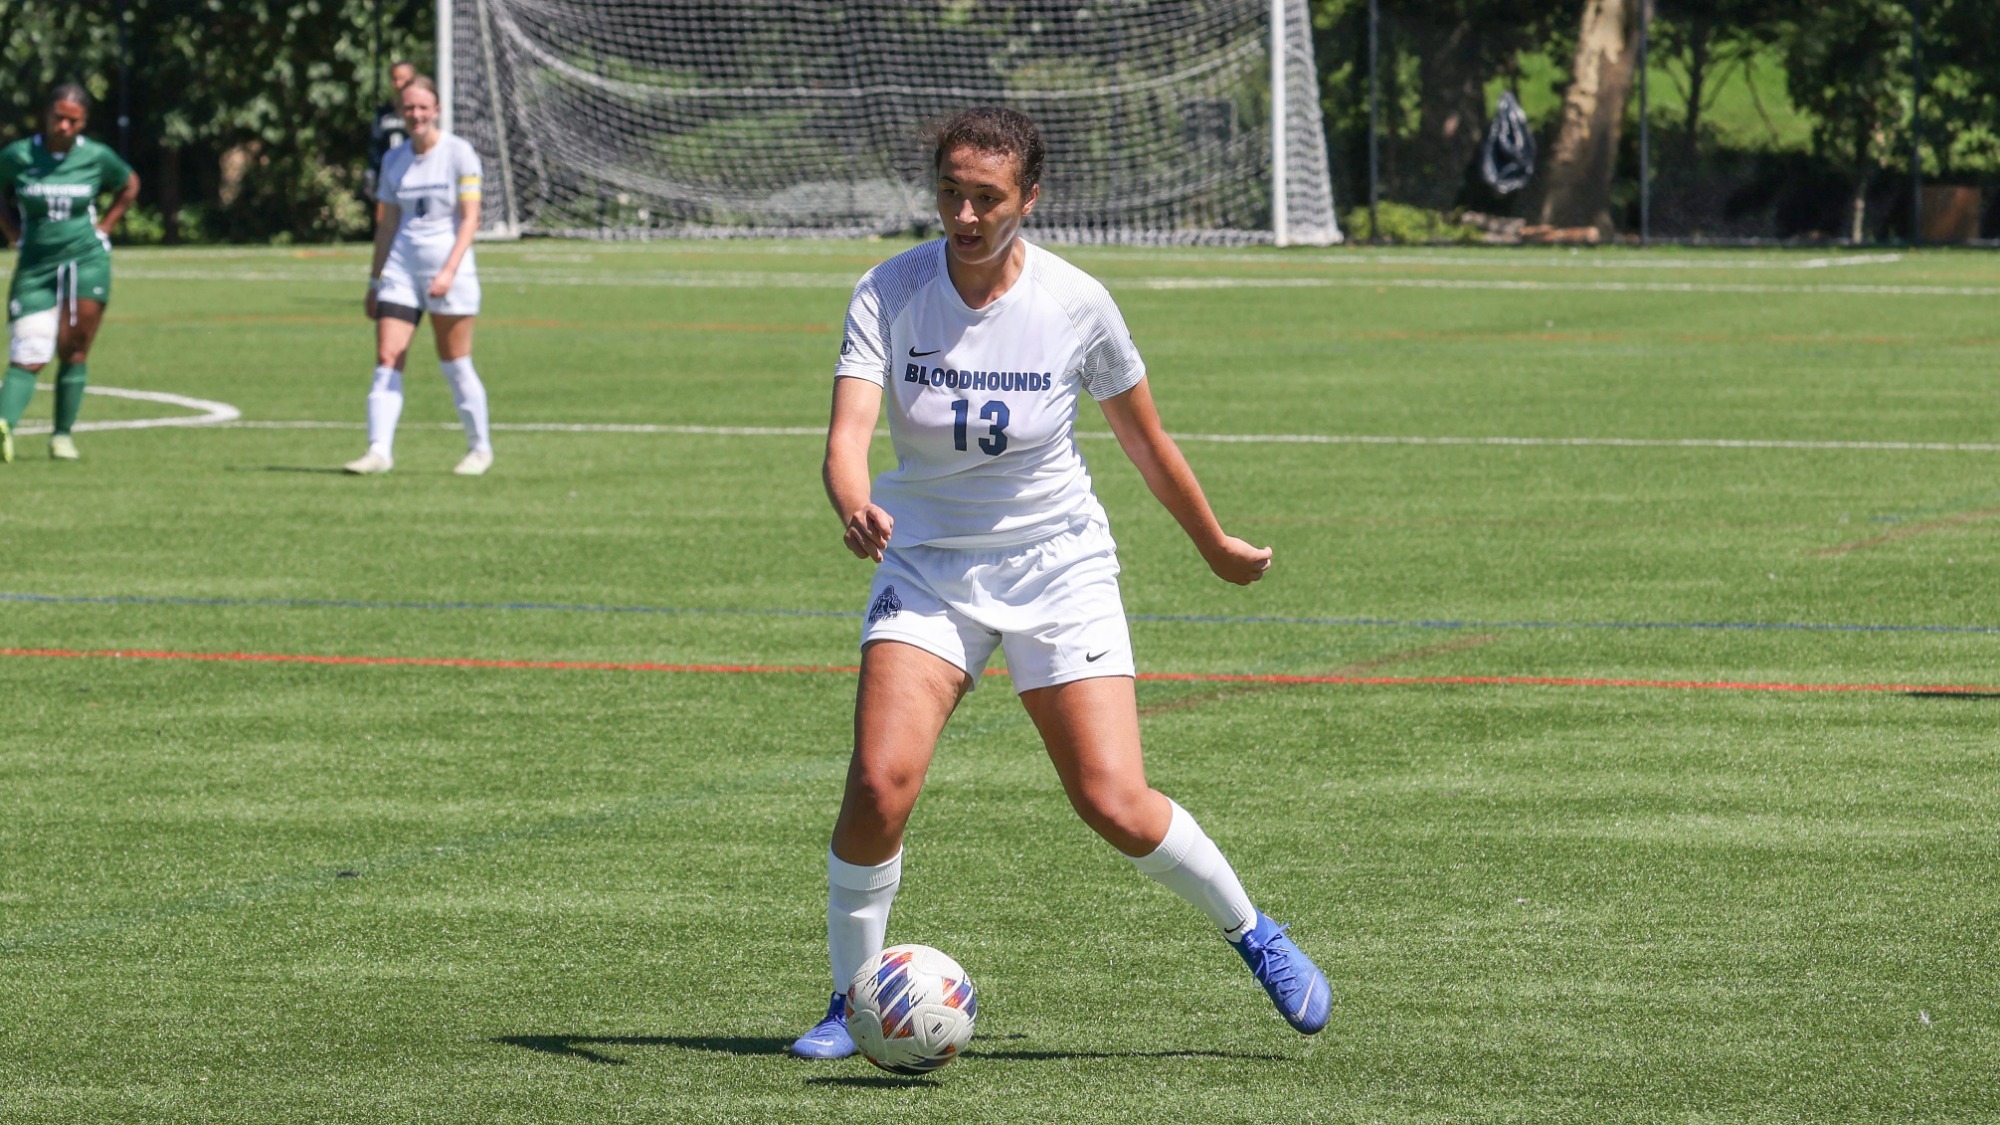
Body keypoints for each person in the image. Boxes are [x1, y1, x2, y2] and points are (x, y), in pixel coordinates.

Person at [791, 107, 1329, 1059]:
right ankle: (847, 999)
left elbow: (1146, 443)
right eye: (951, 192)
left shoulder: (1077, 303)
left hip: (1058, 565)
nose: (964, 213)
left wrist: (1212, 545)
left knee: (1114, 800)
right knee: (878, 784)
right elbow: (846, 438)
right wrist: (852, 501)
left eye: (986, 197)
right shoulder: (891, 289)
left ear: (1028, 200)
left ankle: (1257, 933)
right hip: (926, 563)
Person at [347, 74, 493, 476]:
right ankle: (378, 451)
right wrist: (375, 281)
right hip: (401, 269)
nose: (416, 114)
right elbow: (387, 225)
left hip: (449, 272)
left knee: (454, 362)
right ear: (400, 112)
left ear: (437, 110)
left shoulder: (460, 153)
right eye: (408, 107)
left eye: (423, 107)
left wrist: (448, 271)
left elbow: (470, 219)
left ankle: (479, 449)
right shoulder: (394, 159)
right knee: (387, 357)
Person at [0, 83, 139, 462]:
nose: (64, 126)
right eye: (58, 117)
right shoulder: (19, 155)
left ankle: (62, 436)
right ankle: (3, 425)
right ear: (46, 115)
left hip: (85, 262)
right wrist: (11, 230)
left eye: (73, 121)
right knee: (28, 349)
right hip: (36, 266)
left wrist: (106, 226)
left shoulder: (95, 156)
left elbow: (129, 184)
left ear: (83, 123)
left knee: (73, 348)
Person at [364, 61, 418, 223]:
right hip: (389, 173)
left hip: (414, 171)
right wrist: (371, 171)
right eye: (395, 79)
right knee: (385, 219)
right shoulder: (383, 113)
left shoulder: (419, 112)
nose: (399, 84)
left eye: (405, 79)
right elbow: (376, 146)